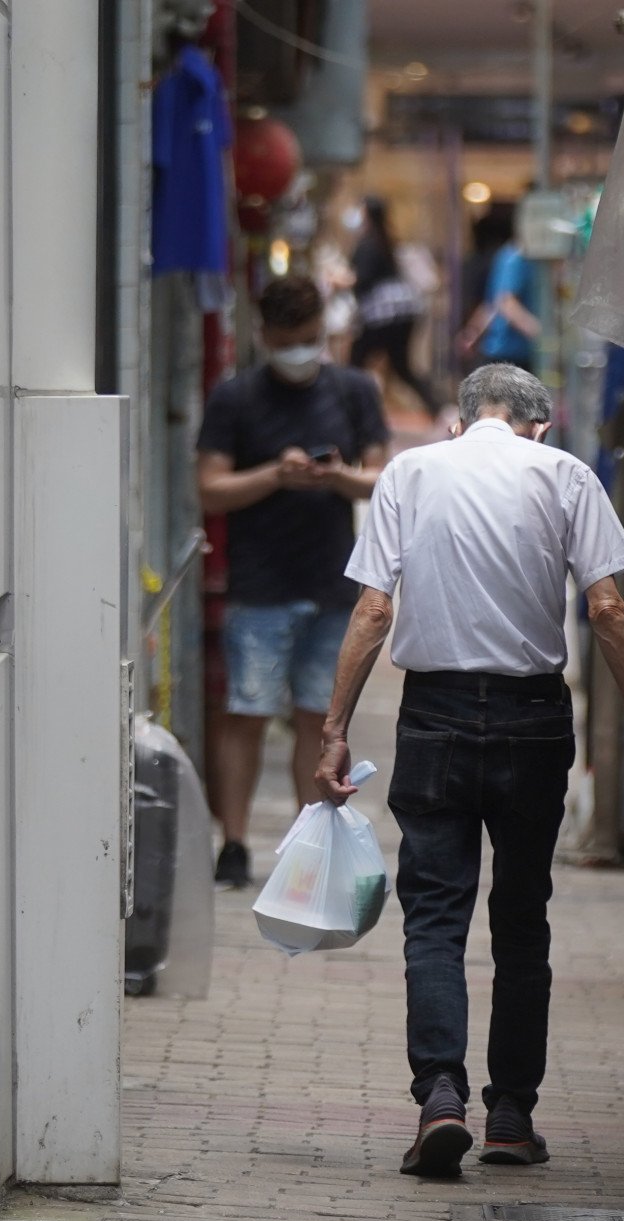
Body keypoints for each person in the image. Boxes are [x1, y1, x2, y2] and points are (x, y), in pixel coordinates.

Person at [315, 363, 624, 1177]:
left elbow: (374, 609)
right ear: (538, 426)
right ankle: (511, 1113)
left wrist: (334, 729)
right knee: (521, 917)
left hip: (434, 717)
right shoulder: (564, 473)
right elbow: (609, 608)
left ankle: (440, 1094)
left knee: (434, 913)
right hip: (533, 720)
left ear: (460, 422)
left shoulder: (410, 472)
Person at [197, 275, 391, 887]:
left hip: (335, 581)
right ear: (265, 336)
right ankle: (233, 842)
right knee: (246, 713)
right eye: (288, 342)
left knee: (320, 719)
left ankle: (313, 843)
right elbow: (210, 489)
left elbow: (390, 479)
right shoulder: (235, 398)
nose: (300, 352)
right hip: (259, 585)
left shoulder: (355, 390)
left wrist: (337, 478)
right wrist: (275, 475)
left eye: (309, 340)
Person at [348, 198, 441, 418]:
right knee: (403, 367)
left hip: (381, 315)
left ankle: (349, 411)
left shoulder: (368, 244)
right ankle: (438, 409)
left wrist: (340, 280)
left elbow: (362, 279)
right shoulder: (387, 239)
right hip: (404, 310)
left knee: (355, 363)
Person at [457, 226, 543, 374]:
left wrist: (472, 333)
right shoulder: (517, 257)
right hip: (511, 355)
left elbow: (491, 305)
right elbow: (507, 304)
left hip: (502, 354)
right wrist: (542, 334)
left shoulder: (507, 255)